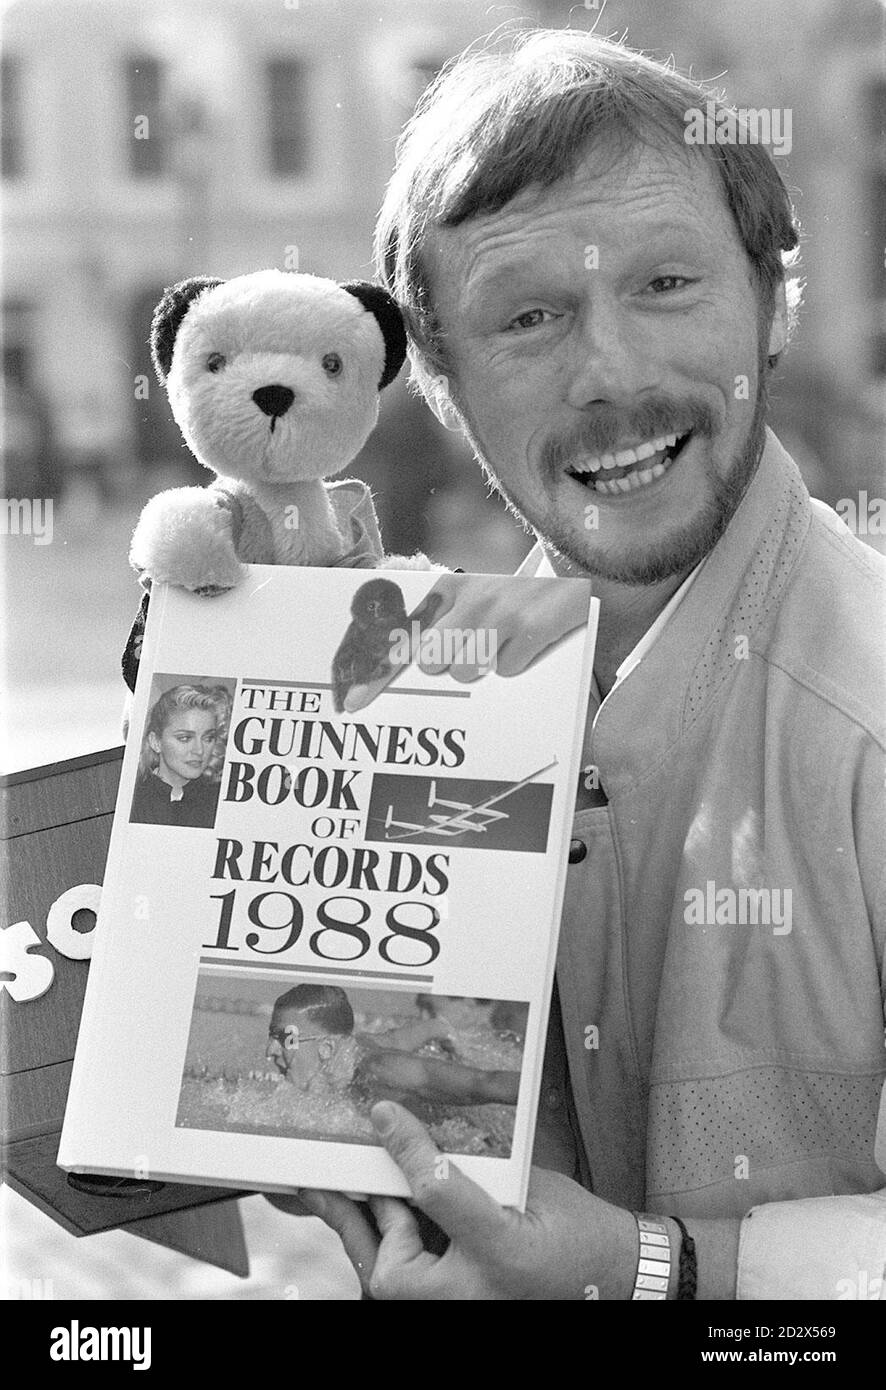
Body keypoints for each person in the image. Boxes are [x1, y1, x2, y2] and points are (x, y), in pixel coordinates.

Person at [268, 29, 886, 1300]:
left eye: (666, 285)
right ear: (438, 384)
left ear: (775, 306)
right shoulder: (410, 702)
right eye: (529, 316)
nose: (609, 373)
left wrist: (651, 1276)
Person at [266, 985, 520, 1117]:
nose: (270, 1051)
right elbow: (434, 1026)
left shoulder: (379, 1069)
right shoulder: (363, 1043)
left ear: (326, 1048)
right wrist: (454, 1042)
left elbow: (484, 1083)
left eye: (285, 1038)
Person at [130, 683, 229, 828]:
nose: (199, 750)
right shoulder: (133, 800)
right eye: (185, 738)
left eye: (208, 738)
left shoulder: (222, 800)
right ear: (156, 742)